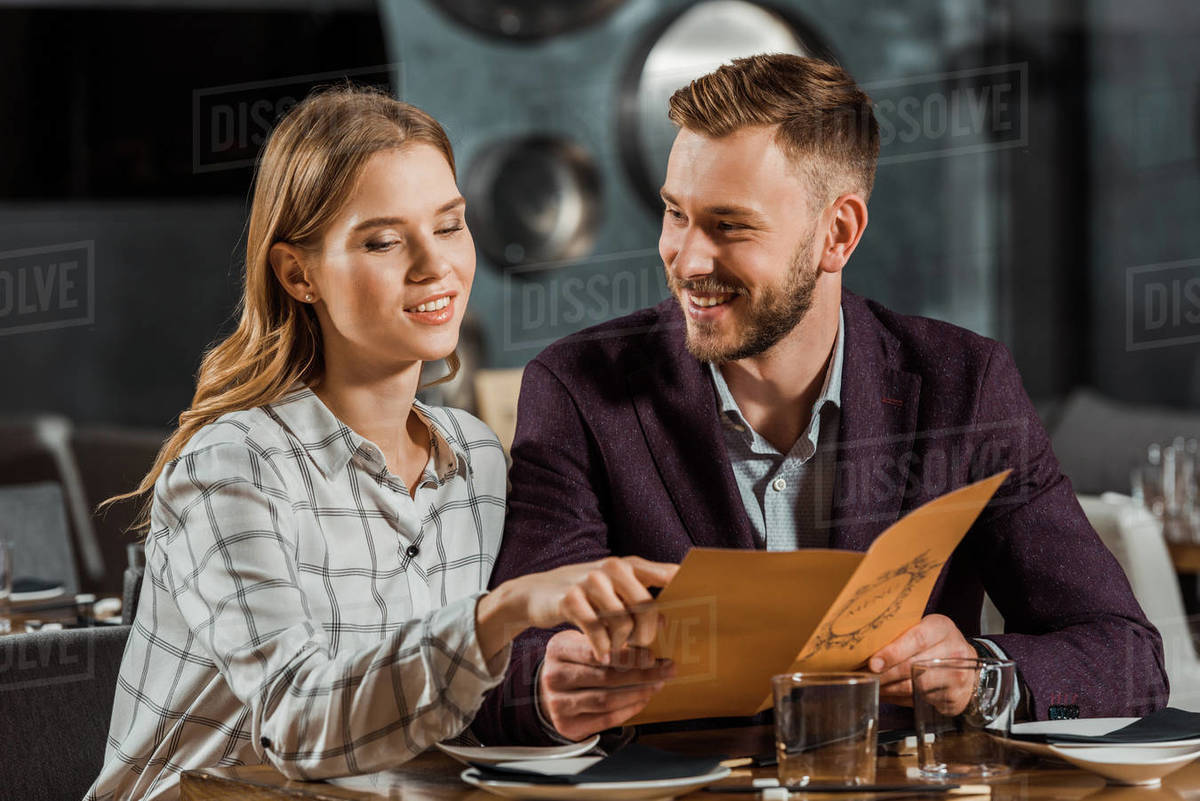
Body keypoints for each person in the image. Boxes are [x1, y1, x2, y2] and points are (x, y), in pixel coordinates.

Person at [472, 54, 1168, 746]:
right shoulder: (576, 388)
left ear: (838, 234)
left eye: (730, 226)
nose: (687, 259)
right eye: (675, 213)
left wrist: (979, 676)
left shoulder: (964, 384)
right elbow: (504, 673)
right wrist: (549, 688)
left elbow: (1130, 660)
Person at [84, 87, 677, 801]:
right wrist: (504, 613)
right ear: (298, 274)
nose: (434, 265)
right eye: (383, 241)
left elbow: (444, 715)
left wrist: (557, 698)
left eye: (449, 226)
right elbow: (298, 724)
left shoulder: (477, 457)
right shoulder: (231, 465)